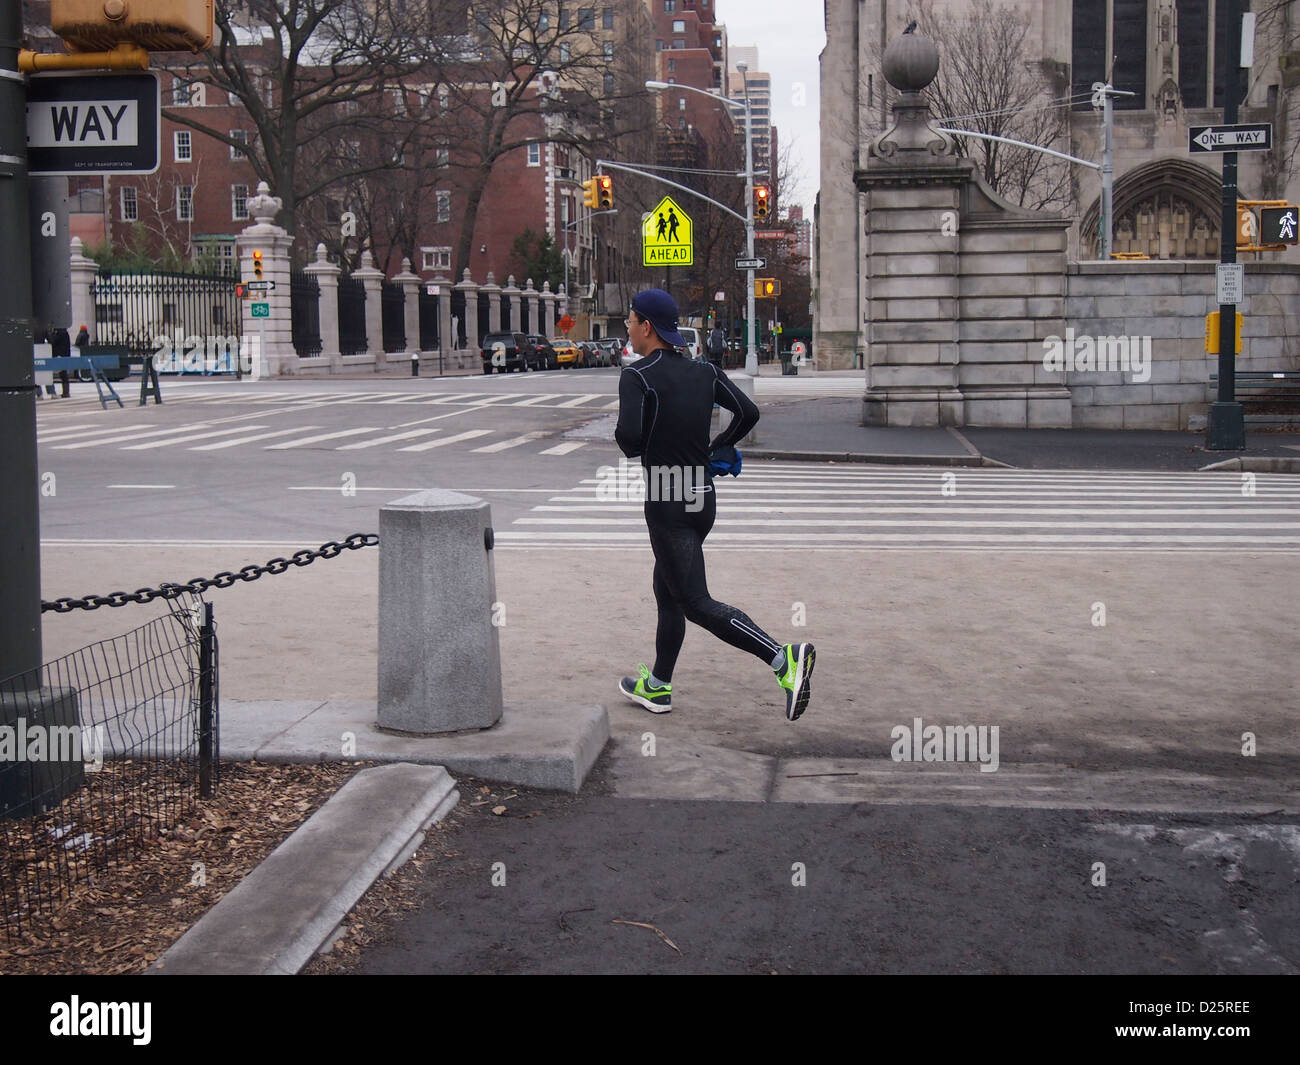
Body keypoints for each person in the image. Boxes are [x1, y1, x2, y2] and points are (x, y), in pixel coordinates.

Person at [614, 288, 815, 721]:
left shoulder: (638, 375)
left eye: (631, 320)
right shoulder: (704, 371)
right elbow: (748, 412)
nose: (628, 328)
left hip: (667, 498)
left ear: (647, 327)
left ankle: (784, 659)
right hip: (702, 495)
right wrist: (716, 446)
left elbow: (629, 441)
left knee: (693, 601)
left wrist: (653, 435)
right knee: (666, 589)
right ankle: (658, 686)